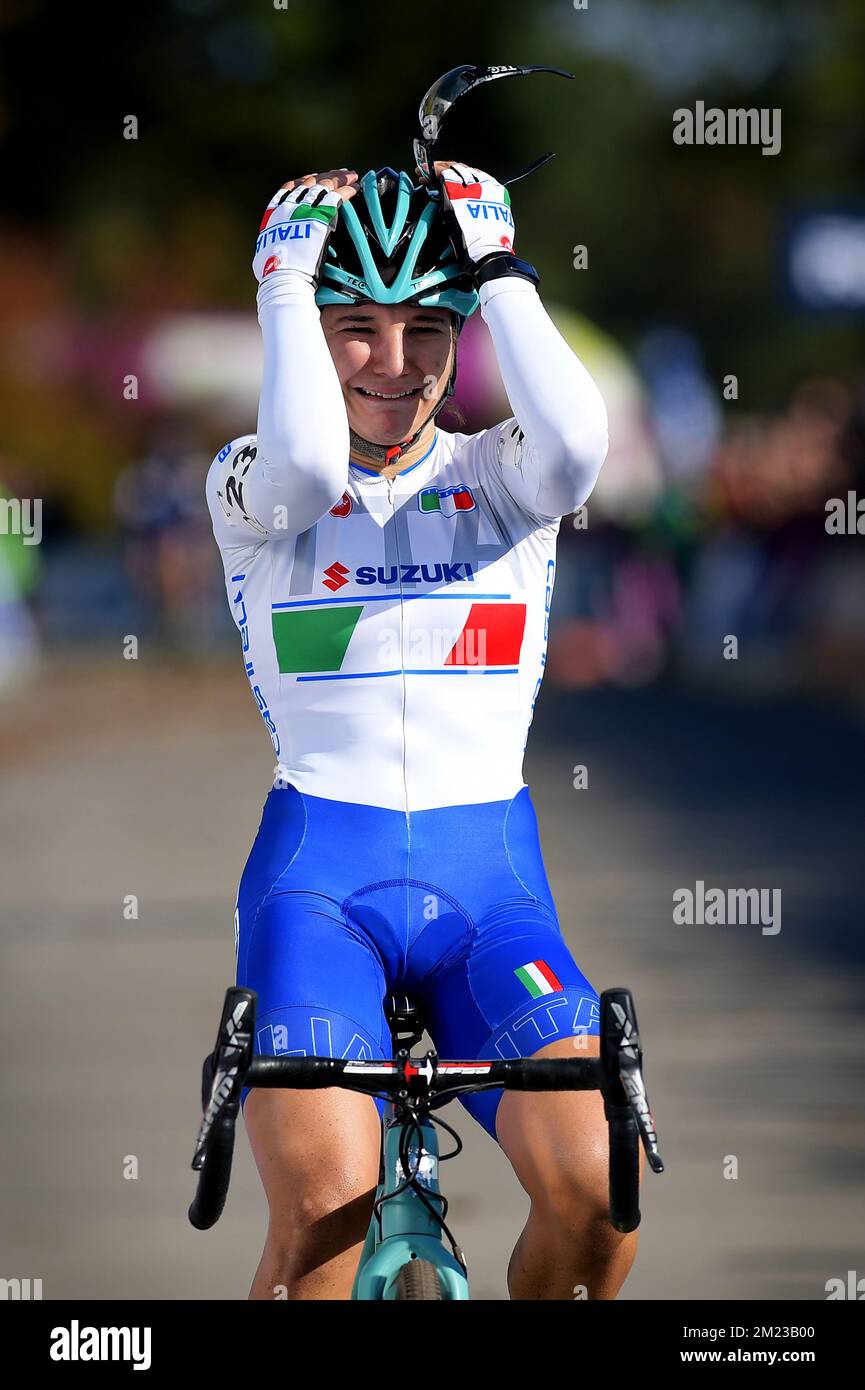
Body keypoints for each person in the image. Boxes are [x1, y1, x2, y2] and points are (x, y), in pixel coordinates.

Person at [206, 163, 638, 1299]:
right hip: (320, 895)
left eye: (426, 328)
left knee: (603, 1191)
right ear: (305, 322)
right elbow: (306, 461)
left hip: (491, 894)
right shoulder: (248, 483)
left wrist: (500, 267)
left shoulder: (500, 473)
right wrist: (279, 278)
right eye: (354, 328)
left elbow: (582, 445)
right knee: (323, 1218)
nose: (394, 365)